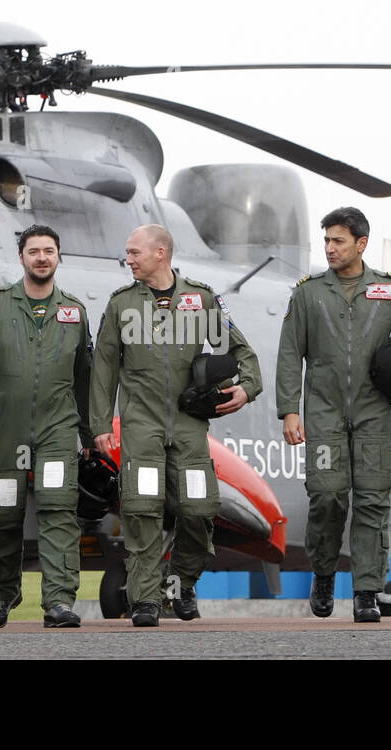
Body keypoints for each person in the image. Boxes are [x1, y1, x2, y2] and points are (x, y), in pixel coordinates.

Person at [278, 207, 391, 623]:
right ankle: (323, 574)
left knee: (373, 503)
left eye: (338, 241)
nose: (330, 248)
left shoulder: (389, 292)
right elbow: (289, 354)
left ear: (361, 244)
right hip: (324, 414)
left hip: (374, 414)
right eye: (326, 241)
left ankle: (366, 592)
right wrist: (289, 409)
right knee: (327, 498)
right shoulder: (308, 293)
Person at [90, 224, 262, 626]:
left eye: (134, 252)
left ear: (161, 253)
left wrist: (247, 388)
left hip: (188, 427)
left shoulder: (200, 301)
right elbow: (103, 369)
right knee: (141, 509)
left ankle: (184, 582)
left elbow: (240, 351)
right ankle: (145, 599)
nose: (127, 259)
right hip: (141, 426)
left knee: (200, 509)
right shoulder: (122, 305)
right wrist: (100, 424)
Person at [0, 225, 93, 629]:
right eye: (33, 251)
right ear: (21, 258)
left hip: (56, 430)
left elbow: (86, 377)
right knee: (1, 513)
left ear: (58, 256)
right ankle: (3, 594)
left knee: (58, 511)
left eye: (48, 251)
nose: (41, 258)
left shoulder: (74, 312)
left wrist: (88, 433)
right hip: (5, 429)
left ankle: (59, 602)